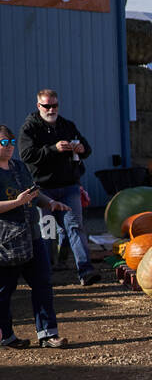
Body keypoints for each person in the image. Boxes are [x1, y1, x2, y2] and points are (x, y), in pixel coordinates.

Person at [18, 89, 99, 286]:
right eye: (47, 106)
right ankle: (44, 274)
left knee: (75, 227)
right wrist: (54, 149)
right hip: (42, 189)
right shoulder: (30, 128)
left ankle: (85, 271)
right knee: (47, 233)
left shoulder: (67, 125)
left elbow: (87, 148)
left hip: (69, 186)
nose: (51, 109)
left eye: (54, 105)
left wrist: (81, 149)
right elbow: (26, 155)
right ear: (39, 106)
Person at [0, 125, 69, 348]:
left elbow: (33, 193)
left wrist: (49, 202)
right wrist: (17, 203)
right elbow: (19, 200)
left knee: (42, 283)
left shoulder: (19, 167)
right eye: (3, 143)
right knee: (4, 290)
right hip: (6, 241)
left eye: (10, 142)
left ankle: (48, 333)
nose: (9, 147)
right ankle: (6, 336)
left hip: (32, 235)